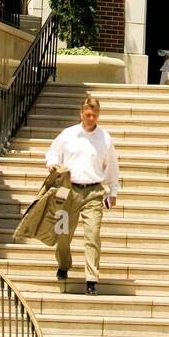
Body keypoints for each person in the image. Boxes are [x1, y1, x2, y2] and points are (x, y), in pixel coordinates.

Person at [44, 94, 121, 296]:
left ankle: (91, 279)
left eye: (94, 115)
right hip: (67, 190)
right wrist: (51, 163)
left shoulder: (105, 138)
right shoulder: (68, 135)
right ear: (81, 114)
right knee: (62, 233)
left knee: (93, 235)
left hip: (93, 192)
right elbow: (52, 153)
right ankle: (63, 264)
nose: (91, 118)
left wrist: (113, 191)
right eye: (87, 114)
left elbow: (112, 166)